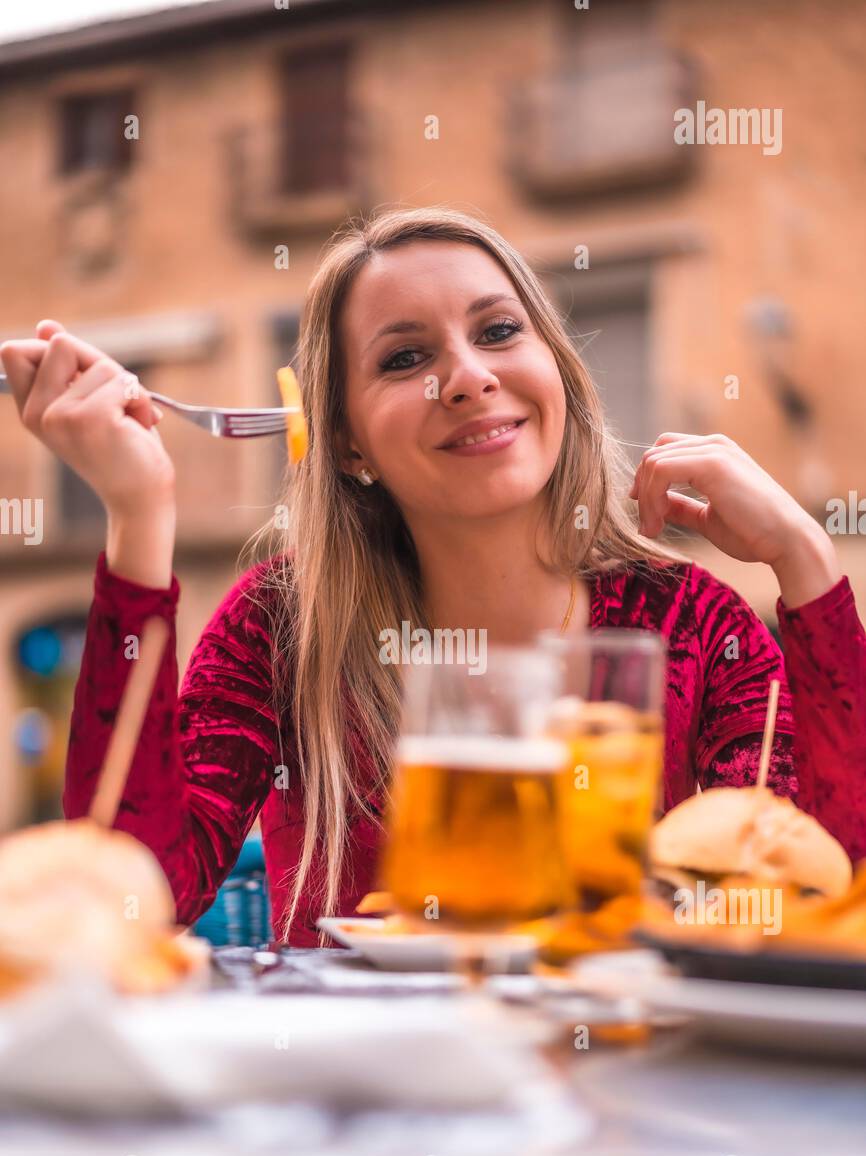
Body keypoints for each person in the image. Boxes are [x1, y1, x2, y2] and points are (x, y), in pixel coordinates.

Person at [3, 206, 865, 947]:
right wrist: (140, 513)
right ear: (344, 441)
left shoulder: (694, 626)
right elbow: (133, 893)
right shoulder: (283, 624)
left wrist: (807, 561)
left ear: (556, 373)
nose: (469, 377)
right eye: (404, 359)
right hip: (370, 1113)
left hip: (640, 1102)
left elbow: (827, 893)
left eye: (497, 331)